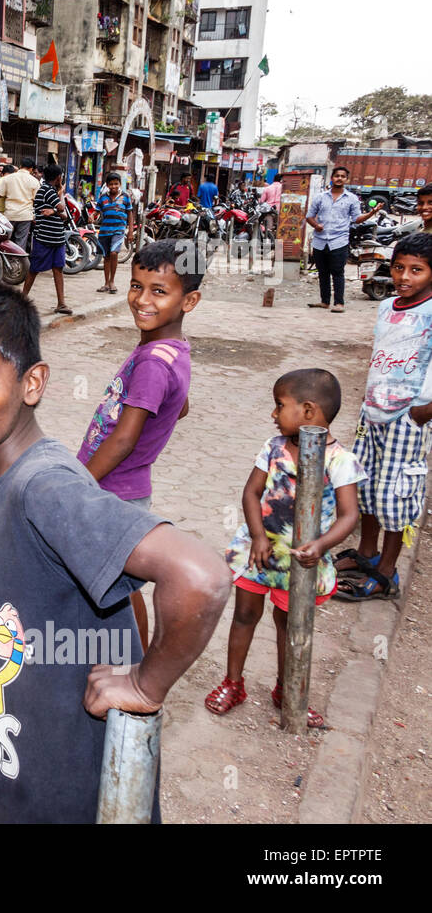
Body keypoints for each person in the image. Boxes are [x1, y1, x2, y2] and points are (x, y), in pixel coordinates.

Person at [0, 281, 229, 823]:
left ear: (32, 382)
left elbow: (200, 577)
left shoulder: (44, 488)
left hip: (69, 801)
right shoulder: (8, 488)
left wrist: (144, 685)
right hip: (6, 785)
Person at [204, 369, 363, 729]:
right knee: (244, 615)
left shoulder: (341, 461)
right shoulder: (273, 448)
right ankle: (233, 683)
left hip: (301, 561)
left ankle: (287, 690)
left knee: (291, 626)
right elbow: (251, 493)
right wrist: (258, 536)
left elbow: (349, 515)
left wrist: (321, 545)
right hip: (259, 554)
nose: (273, 414)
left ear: (308, 411)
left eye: (279, 406)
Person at [78, 238, 201, 647]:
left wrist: (78, 483)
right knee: (119, 584)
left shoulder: (152, 360)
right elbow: (179, 406)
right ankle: (133, 659)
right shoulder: (170, 350)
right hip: (125, 488)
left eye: (159, 292)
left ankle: (137, 667)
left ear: (190, 300)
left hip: (113, 489)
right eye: (136, 286)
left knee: (120, 589)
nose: (142, 300)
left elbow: (125, 437)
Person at [333, 234, 432, 601]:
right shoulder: (387, 306)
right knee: (367, 486)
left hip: (408, 418)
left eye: (417, 270)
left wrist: (420, 413)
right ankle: (366, 552)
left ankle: (386, 573)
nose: (405, 277)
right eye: (399, 267)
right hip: (373, 411)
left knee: (396, 495)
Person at [305, 165, 380, 313]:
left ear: (346, 179)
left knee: (338, 272)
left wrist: (372, 212)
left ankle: (339, 303)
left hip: (339, 241)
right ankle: (325, 302)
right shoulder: (320, 197)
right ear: (332, 178)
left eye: (342, 176)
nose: (339, 178)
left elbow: (357, 219)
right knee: (322, 272)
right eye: (337, 175)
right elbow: (309, 216)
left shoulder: (352, 199)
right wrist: (316, 225)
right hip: (320, 241)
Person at [22, 163, 71, 316]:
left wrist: (54, 210)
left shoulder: (49, 191)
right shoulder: (47, 191)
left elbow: (63, 216)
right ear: (58, 178)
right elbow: (62, 209)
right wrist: (60, 196)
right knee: (35, 269)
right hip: (45, 237)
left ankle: (61, 303)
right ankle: (21, 300)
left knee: (58, 268)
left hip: (56, 238)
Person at [94, 172, 134, 294]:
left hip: (119, 230)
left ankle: (112, 281)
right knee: (106, 257)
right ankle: (106, 283)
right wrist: (92, 216)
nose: (113, 186)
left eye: (116, 184)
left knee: (114, 253)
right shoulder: (102, 198)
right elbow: (96, 211)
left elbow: (130, 214)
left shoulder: (125, 197)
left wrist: (131, 231)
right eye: (111, 184)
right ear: (107, 185)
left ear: (120, 184)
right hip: (105, 230)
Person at [0, 157, 41, 252]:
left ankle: (6, 262)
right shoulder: (34, 181)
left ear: (20, 166)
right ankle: (19, 262)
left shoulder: (8, 178)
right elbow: (37, 200)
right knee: (20, 242)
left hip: (9, 214)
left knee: (7, 241)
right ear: (31, 169)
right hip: (25, 216)